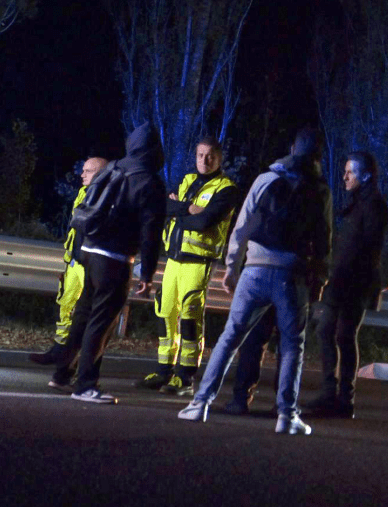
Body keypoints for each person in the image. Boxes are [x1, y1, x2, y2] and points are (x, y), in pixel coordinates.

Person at [178, 128, 331, 434]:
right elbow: (324, 242)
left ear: (292, 148)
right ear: (318, 156)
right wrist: (319, 282)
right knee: (292, 345)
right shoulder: (320, 190)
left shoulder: (267, 178)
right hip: (292, 275)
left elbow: (243, 224)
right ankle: (287, 416)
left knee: (231, 336)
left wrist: (232, 267)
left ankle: (199, 403)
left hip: (255, 270)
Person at [48, 123, 166, 403]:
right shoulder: (149, 182)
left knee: (84, 315)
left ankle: (62, 374)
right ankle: (85, 385)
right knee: (101, 322)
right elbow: (151, 232)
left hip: (89, 251)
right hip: (115, 259)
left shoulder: (113, 167)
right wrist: (147, 273)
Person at [136, 136, 238, 395]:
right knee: (165, 311)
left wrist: (178, 210)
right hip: (174, 259)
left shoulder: (226, 189)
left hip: (198, 262)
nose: (205, 160)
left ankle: (185, 377)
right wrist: (188, 208)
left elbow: (204, 222)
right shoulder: (187, 180)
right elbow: (163, 206)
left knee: (190, 316)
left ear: (219, 158)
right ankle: (163, 371)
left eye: (211, 155)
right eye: (200, 155)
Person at [306, 151, 388, 418]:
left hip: (355, 283)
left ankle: (344, 399)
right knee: (327, 331)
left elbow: (367, 249)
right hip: (341, 281)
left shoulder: (374, 205)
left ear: (365, 175)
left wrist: (350, 276)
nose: (345, 177)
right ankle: (330, 393)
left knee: (343, 335)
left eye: (350, 172)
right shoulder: (357, 204)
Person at [29, 154, 110, 365]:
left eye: (88, 171)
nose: (82, 174)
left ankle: (79, 358)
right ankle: (59, 350)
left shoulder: (108, 195)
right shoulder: (83, 192)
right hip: (75, 261)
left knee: (87, 313)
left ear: (102, 174)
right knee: (66, 304)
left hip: (91, 264)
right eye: (83, 170)